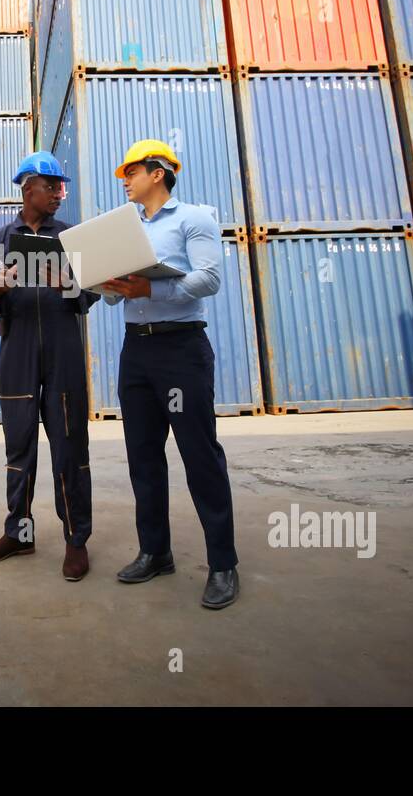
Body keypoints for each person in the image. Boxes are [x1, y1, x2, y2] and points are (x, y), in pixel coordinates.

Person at [100, 139, 239, 609]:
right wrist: (111, 284)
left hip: (181, 349)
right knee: (142, 456)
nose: (125, 179)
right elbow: (122, 296)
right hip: (135, 351)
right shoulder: (128, 229)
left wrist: (150, 285)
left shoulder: (193, 218)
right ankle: (155, 551)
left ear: (158, 173)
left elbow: (210, 279)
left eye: (132, 171)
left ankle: (222, 564)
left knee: (199, 455)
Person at [0, 151, 98, 581]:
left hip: (63, 352)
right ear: (29, 190)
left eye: (62, 187)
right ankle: (19, 534)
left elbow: (90, 296)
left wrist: (70, 286)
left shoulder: (72, 237)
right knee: (19, 448)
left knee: (69, 447)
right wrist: (2, 287)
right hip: (18, 353)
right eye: (54, 187)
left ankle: (76, 541)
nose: (61, 195)